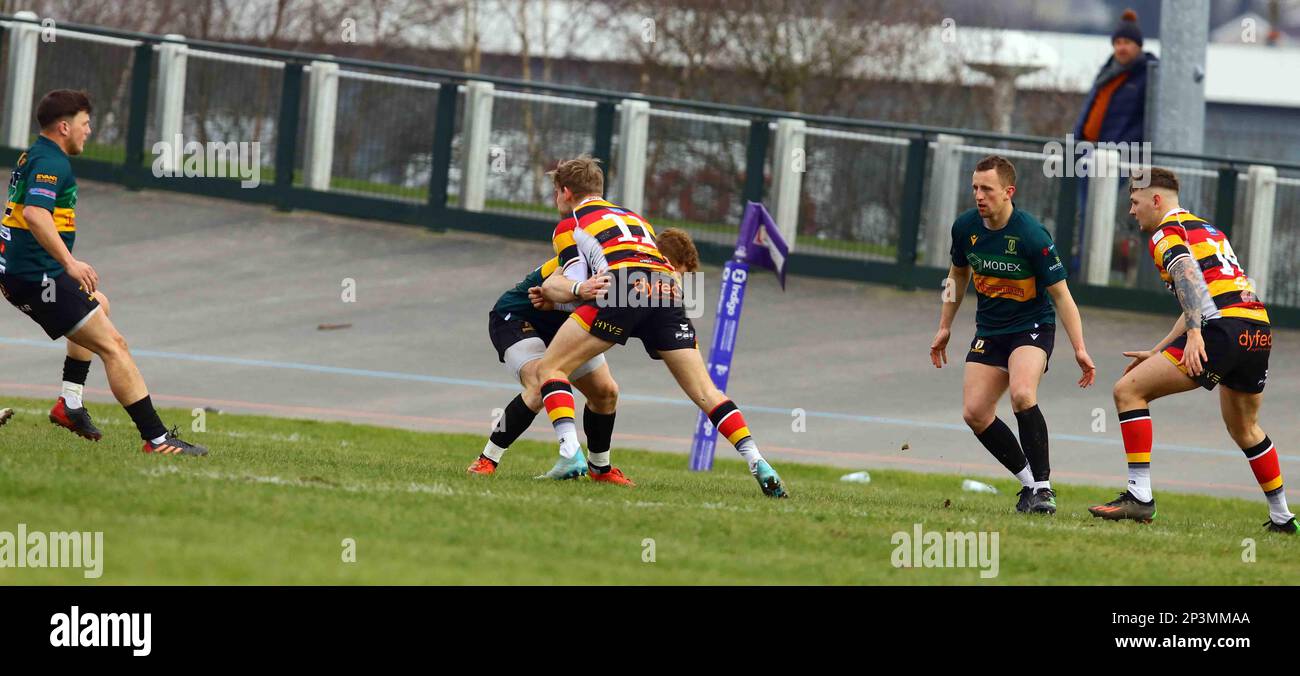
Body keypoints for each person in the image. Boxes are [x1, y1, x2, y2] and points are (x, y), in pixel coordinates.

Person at [487, 155, 787, 497]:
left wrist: (563, 296)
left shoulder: (572, 223)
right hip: (667, 291)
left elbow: (572, 279)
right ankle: (758, 461)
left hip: (622, 285)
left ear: (565, 192)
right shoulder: (636, 217)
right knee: (707, 392)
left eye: (556, 191)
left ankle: (570, 454)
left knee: (551, 368)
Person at [0, 89, 206, 456]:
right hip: (37, 278)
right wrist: (69, 263)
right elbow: (34, 214)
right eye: (85, 123)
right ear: (64, 126)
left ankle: (70, 404)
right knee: (115, 346)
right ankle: (157, 439)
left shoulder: (36, 153)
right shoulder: (53, 162)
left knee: (100, 304)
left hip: (26, 272)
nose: (89, 130)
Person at [1090, 167, 1295, 534]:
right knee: (1245, 428)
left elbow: (1186, 276)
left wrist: (1198, 335)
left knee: (1128, 391)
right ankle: (1282, 517)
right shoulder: (1207, 229)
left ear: (1156, 200)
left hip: (1221, 331)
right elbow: (1201, 296)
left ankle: (1140, 498)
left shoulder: (1165, 234)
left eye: (1135, 202)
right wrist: (1159, 350)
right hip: (1257, 331)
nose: (1132, 211)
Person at [930, 155, 1095, 515]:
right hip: (990, 329)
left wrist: (1079, 348)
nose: (978, 195)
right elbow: (957, 276)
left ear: (1008, 192)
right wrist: (945, 326)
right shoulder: (965, 228)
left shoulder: (1032, 235)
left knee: (1022, 394)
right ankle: (1028, 486)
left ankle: (1046, 489)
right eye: (974, 187)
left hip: (1032, 327)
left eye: (986, 189)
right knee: (975, 412)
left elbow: (1062, 296)